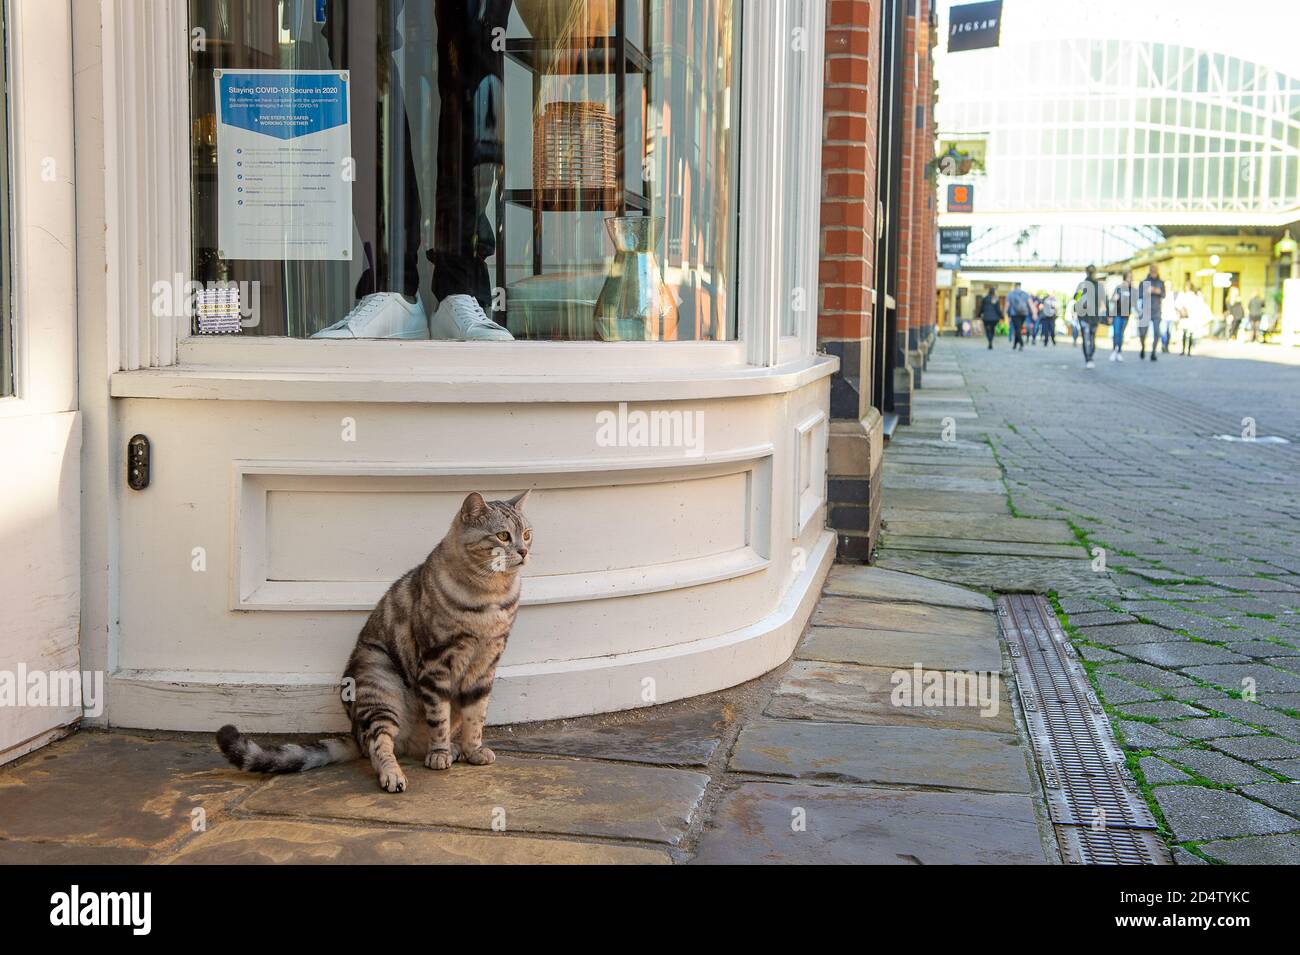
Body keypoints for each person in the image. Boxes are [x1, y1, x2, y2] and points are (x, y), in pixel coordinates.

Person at [1072, 265, 1107, 368]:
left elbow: (1103, 300)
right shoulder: (1087, 285)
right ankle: (1089, 358)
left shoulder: (1090, 285)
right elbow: (1076, 297)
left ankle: (1089, 358)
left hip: (1091, 316)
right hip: (1086, 315)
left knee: (1089, 338)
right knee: (1090, 337)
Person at [1136, 264, 1166, 362]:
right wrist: (1146, 291)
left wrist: (1158, 291)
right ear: (1149, 271)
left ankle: (1153, 352)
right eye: (1152, 271)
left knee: (1156, 333)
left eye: (1155, 271)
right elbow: (1139, 295)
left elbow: (1164, 294)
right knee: (1142, 333)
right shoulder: (1144, 282)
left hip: (1156, 311)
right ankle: (1143, 347)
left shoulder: (1161, 283)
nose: (1154, 272)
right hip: (1146, 310)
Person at [1109, 269, 1135, 362]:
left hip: (1126, 315)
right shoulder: (1119, 288)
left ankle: (1119, 351)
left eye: (1131, 277)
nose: (1130, 279)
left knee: (1121, 333)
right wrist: (1114, 298)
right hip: (1117, 313)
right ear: (1125, 278)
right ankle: (1114, 351)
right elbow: (1112, 300)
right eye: (1128, 277)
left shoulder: (1132, 289)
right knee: (1116, 333)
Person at [1006, 282, 1032, 351]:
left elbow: (1007, 305)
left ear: (1015, 286)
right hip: (1023, 314)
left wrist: (1005, 313)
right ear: (1020, 286)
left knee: (1017, 329)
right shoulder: (1025, 294)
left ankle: (1021, 344)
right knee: (1018, 329)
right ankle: (1015, 345)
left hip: (1014, 314)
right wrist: (1034, 313)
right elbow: (1030, 304)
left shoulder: (1011, 294)